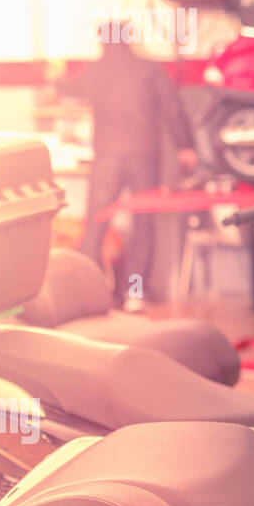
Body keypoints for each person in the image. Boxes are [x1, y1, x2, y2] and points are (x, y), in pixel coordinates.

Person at [51, 27, 198, 310]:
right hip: (144, 156)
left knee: (96, 224)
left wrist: (55, 80)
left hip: (107, 157)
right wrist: (186, 146)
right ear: (129, 39)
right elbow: (172, 108)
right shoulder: (150, 68)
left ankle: (88, 293)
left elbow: (71, 88)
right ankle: (134, 294)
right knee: (142, 224)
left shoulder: (96, 70)